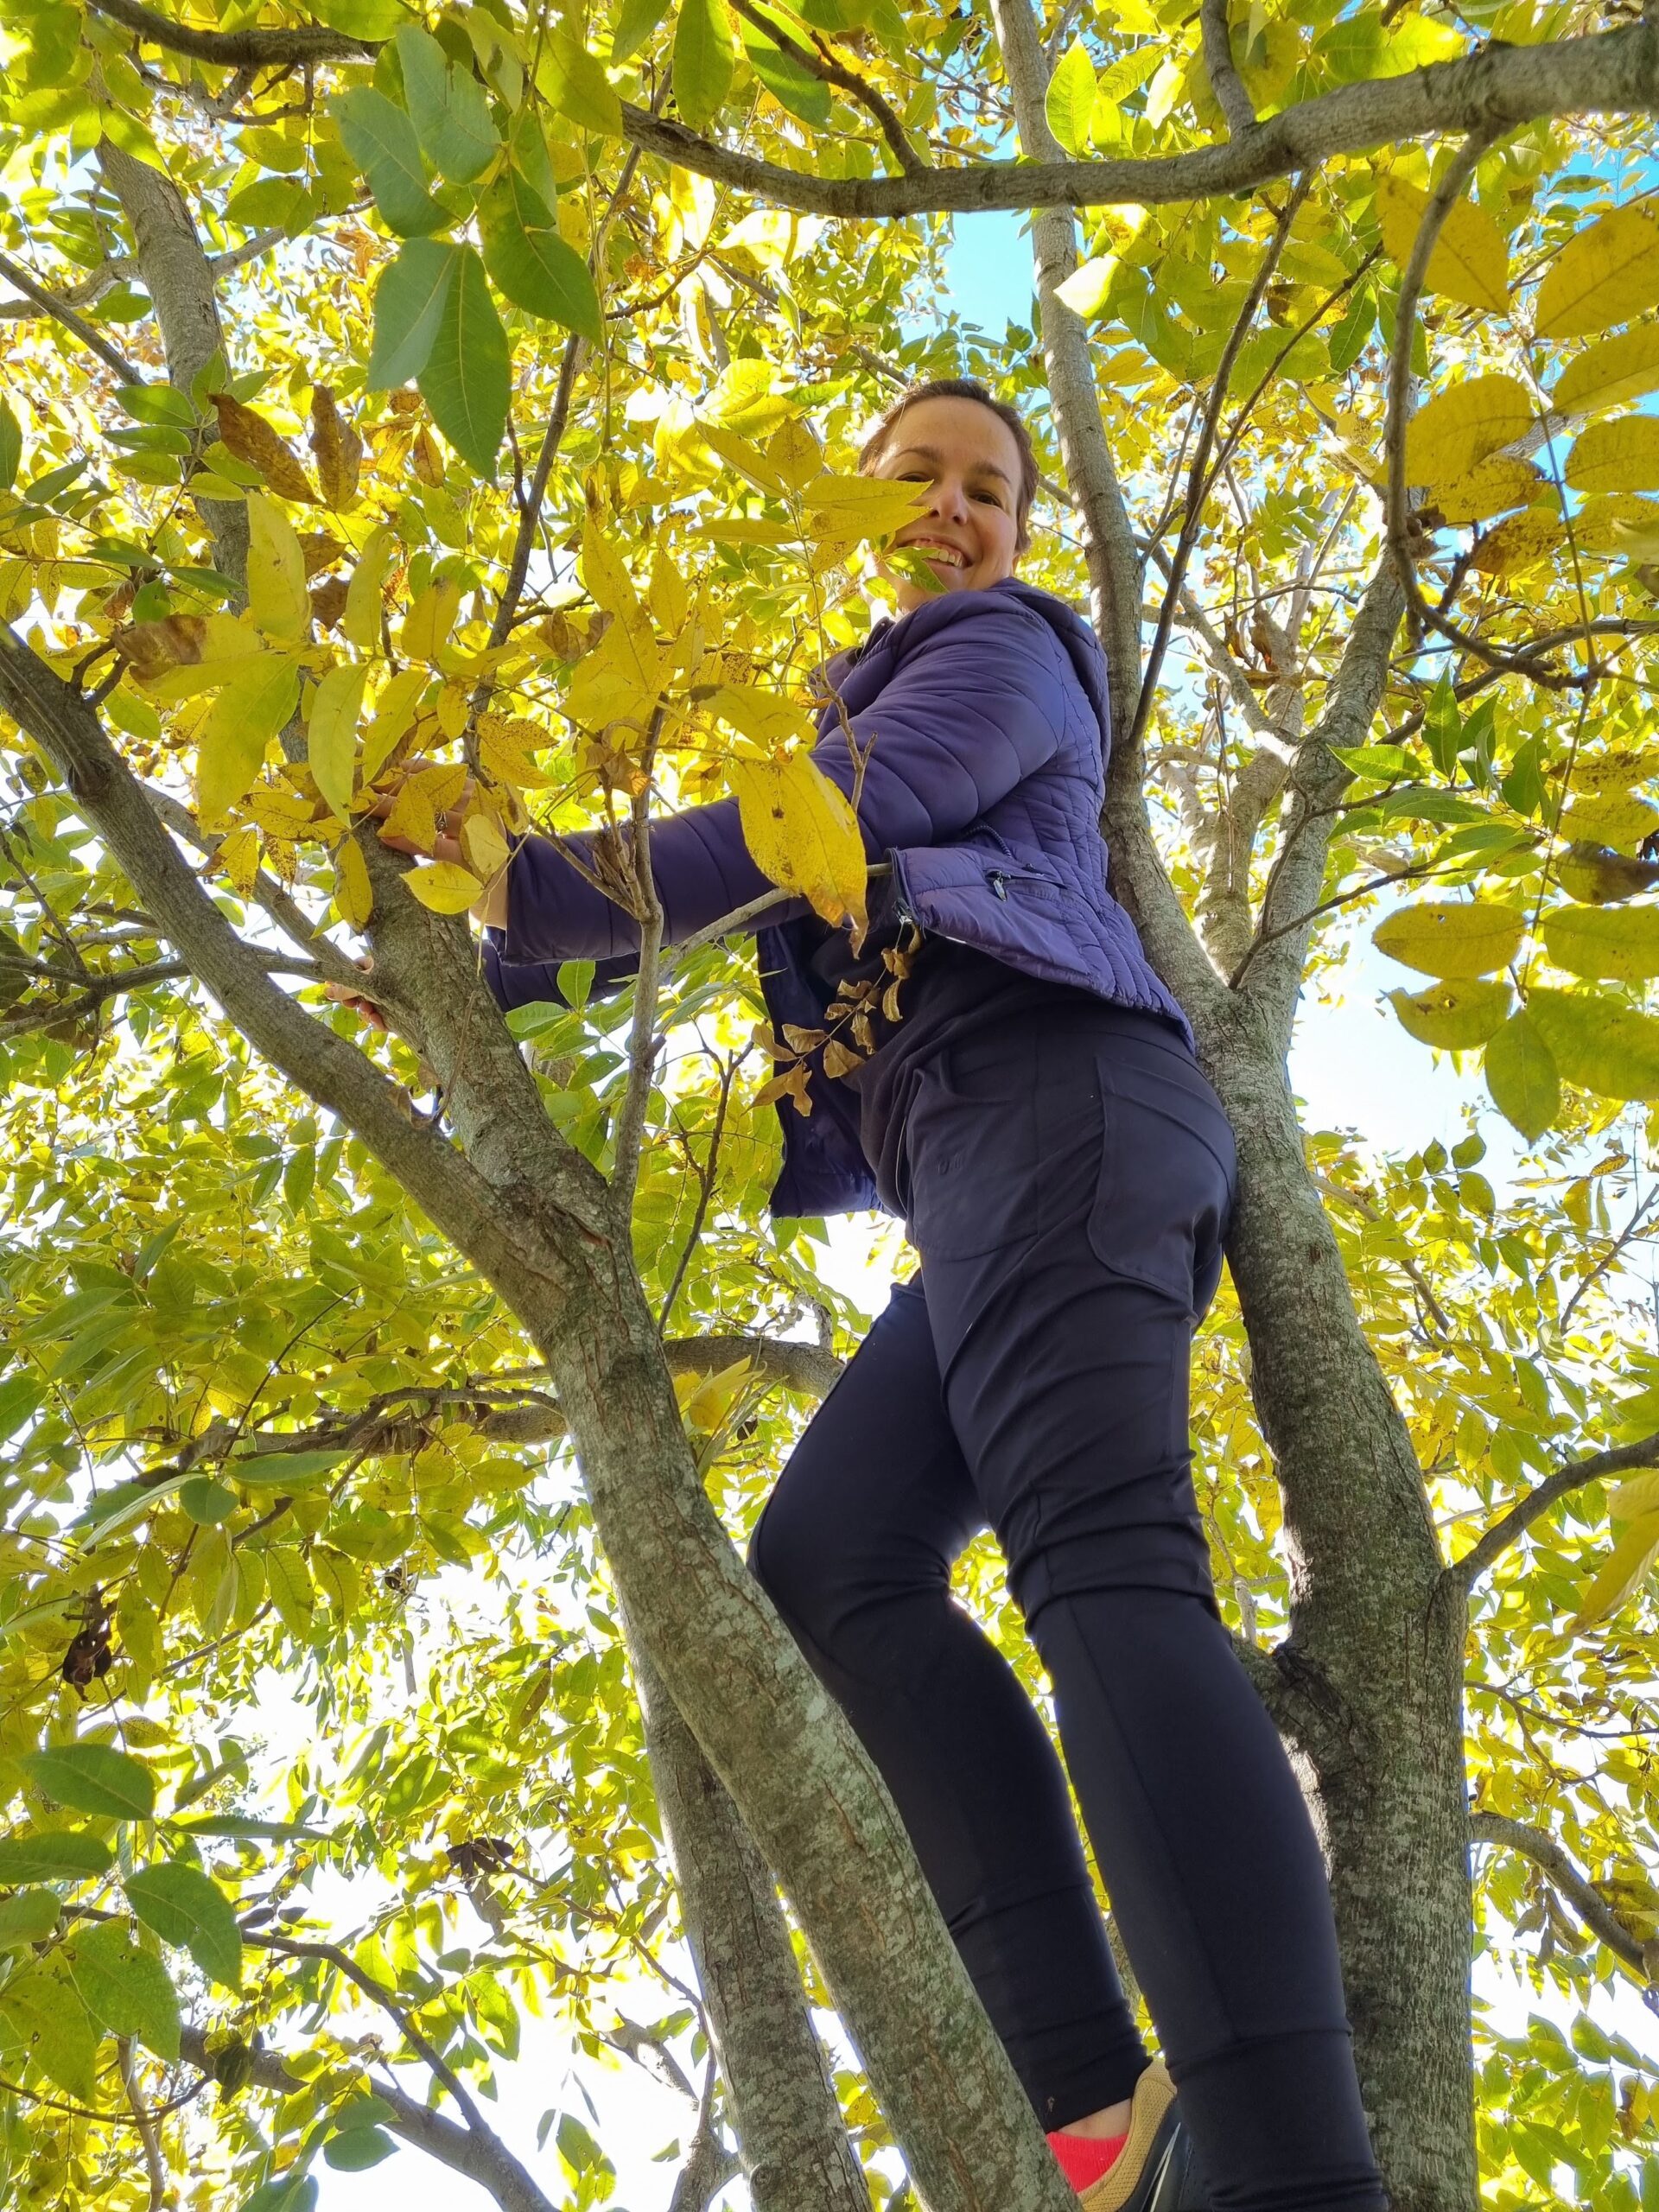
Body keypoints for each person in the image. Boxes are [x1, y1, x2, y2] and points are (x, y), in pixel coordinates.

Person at [354, 379, 1390, 2212]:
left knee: (1103, 1562)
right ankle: (1104, 2121)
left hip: (1063, 1100)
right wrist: (466, 969)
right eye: (918, 475)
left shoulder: (1003, 653)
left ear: (1019, 539)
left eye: (990, 487)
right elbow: (752, 896)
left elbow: (823, 828)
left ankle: (1301, 2179)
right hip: (998, 1158)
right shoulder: (835, 713)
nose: (956, 507)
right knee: (831, 1559)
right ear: (850, 508)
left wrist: (516, 878)